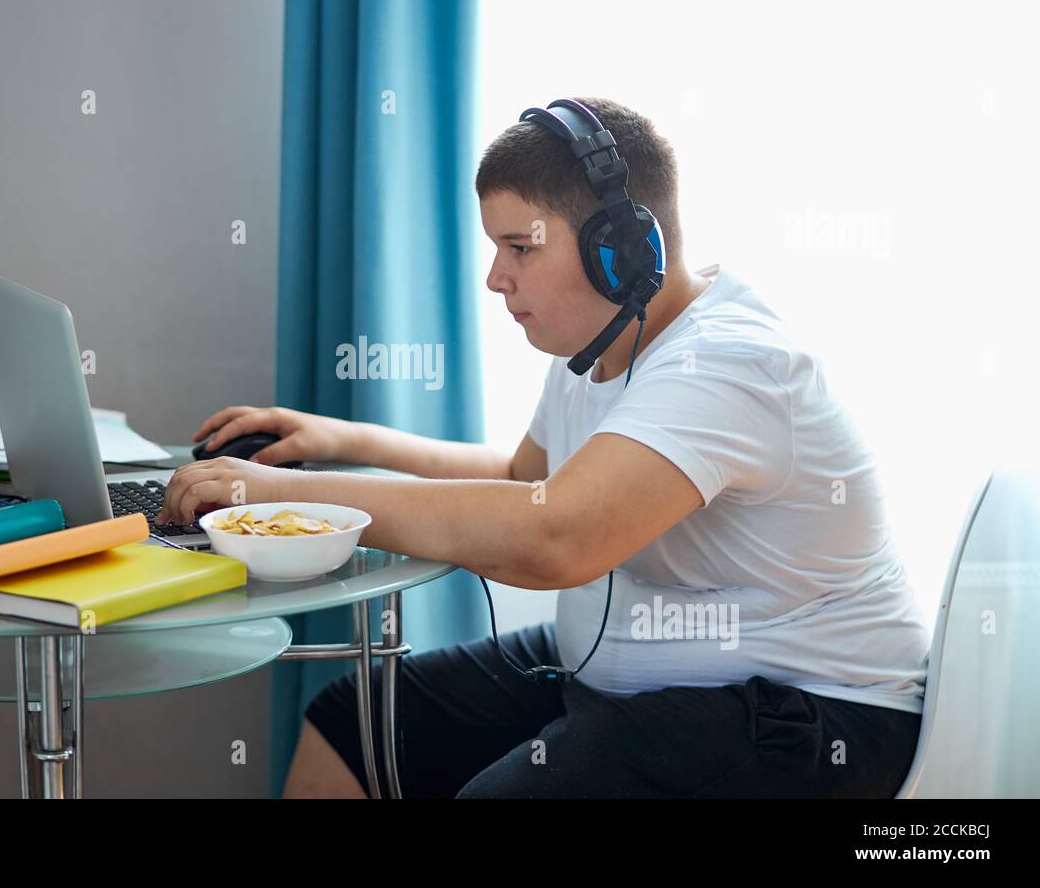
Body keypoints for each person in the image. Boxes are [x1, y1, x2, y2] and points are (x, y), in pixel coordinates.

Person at [157, 96, 929, 798]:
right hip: (635, 681)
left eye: (519, 248)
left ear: (620, 251)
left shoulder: (726, 364)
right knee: (353, 721)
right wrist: (342, 442)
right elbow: (522, 477)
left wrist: (292, 499)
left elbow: (553, 537)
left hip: (814, 722)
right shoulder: (602, 340)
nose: (495, 278)